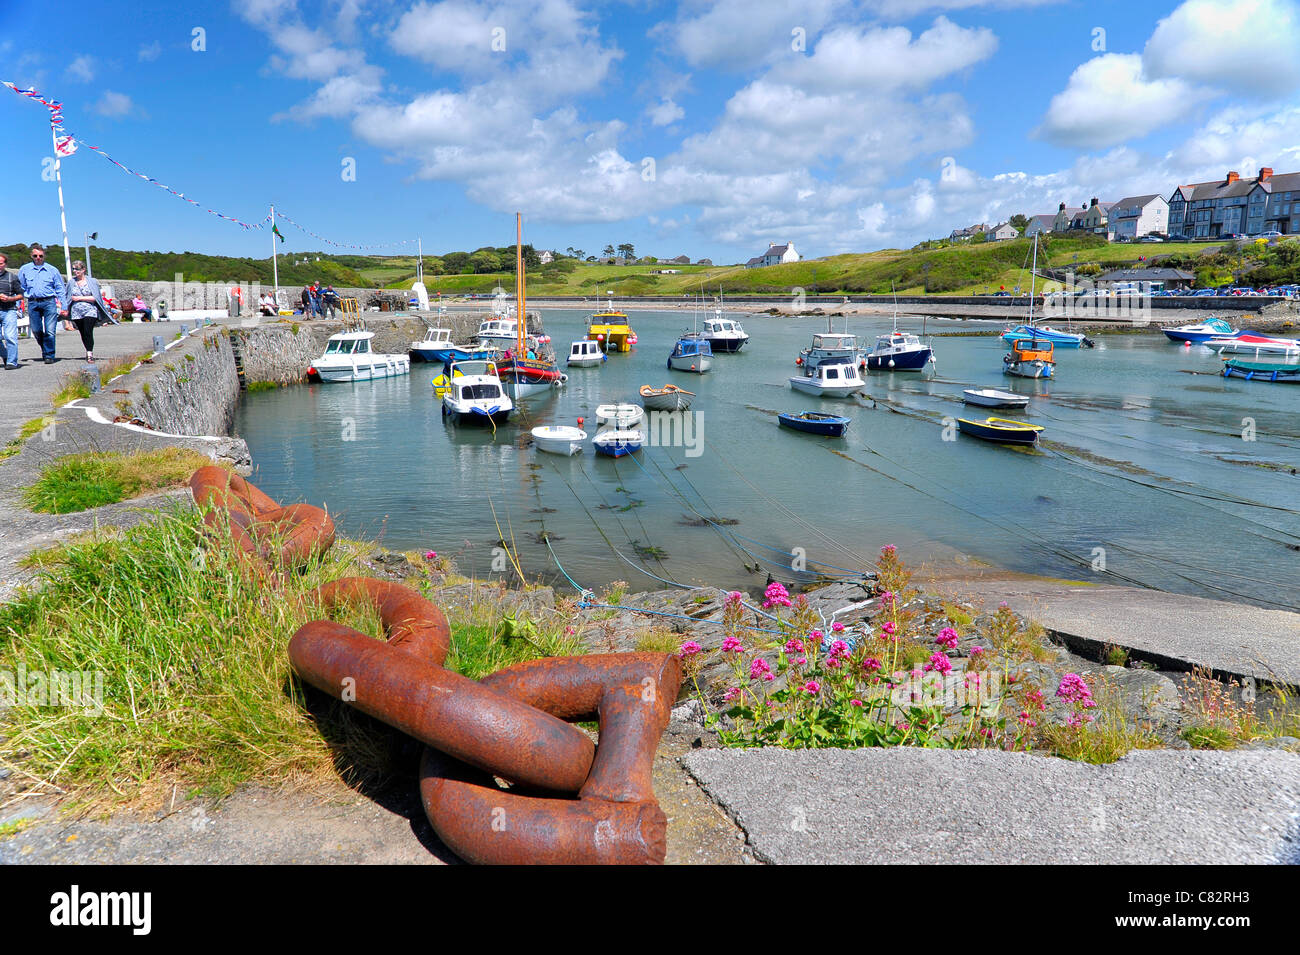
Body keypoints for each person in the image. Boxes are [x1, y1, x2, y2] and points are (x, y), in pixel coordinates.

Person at [18, 243, 69, 363]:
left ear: (44, 256)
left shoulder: (52, 270)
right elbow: (20, 286)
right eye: (35, 256)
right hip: (33, 302)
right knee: (36, 330)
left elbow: (60, 289)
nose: (38, 258)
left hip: (49, 302)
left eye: (40, 256)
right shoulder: (25, 269)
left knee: (50, 330)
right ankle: (45, 348)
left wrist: (64, 306)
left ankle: (49, 355)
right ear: (31, 256)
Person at [65, 261, 112, 363]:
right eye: (73, 269)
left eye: (77, 269)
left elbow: (96, 297)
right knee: (82, 332)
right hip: (76, 311)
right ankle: (87, 349)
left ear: (83, 270)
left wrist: (79, 298)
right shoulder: (71, 282)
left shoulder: (92, 281)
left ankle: (90, 353)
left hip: (90, 310)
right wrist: (65, 308)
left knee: (88, 331)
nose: (75, 271)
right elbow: (67, 296)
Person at [0, 253, 23, 369]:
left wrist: (9, 298)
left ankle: (11, 362)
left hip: (9, 310)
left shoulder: (12, 277)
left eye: (1, 263)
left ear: (5, 264)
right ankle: (5, 355)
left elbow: (21, 295)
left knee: (10, 336)